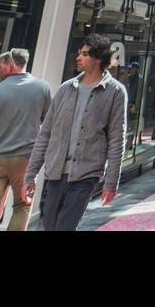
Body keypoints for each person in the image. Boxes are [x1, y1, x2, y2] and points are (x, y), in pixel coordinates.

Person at [24, 34, 127, 231]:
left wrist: (111, 182)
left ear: (98, 59)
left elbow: (116, 139)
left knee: (65, 226)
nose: (78, 57)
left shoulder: (115, 92)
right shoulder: (66, 89)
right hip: (55, 171)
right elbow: (45, 133)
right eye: (79, 53)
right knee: (49, 224)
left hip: (86, 173)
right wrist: (31, 175)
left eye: (85, 54)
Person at [0, 48, 52, 231]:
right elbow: (49, 123)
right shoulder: (43, 88)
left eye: (2, 65)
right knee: (22, 207)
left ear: (11, 65)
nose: (0, 68)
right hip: (25, 162)